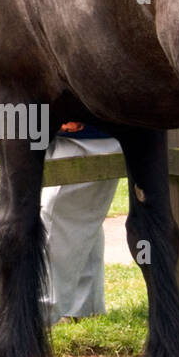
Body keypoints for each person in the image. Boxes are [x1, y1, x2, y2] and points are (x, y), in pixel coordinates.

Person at [40, 123, 122, 325]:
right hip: (64, 132)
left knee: (58, 215)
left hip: (86, 134)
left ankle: (44, 315)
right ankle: (82, 307)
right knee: (81, 216)